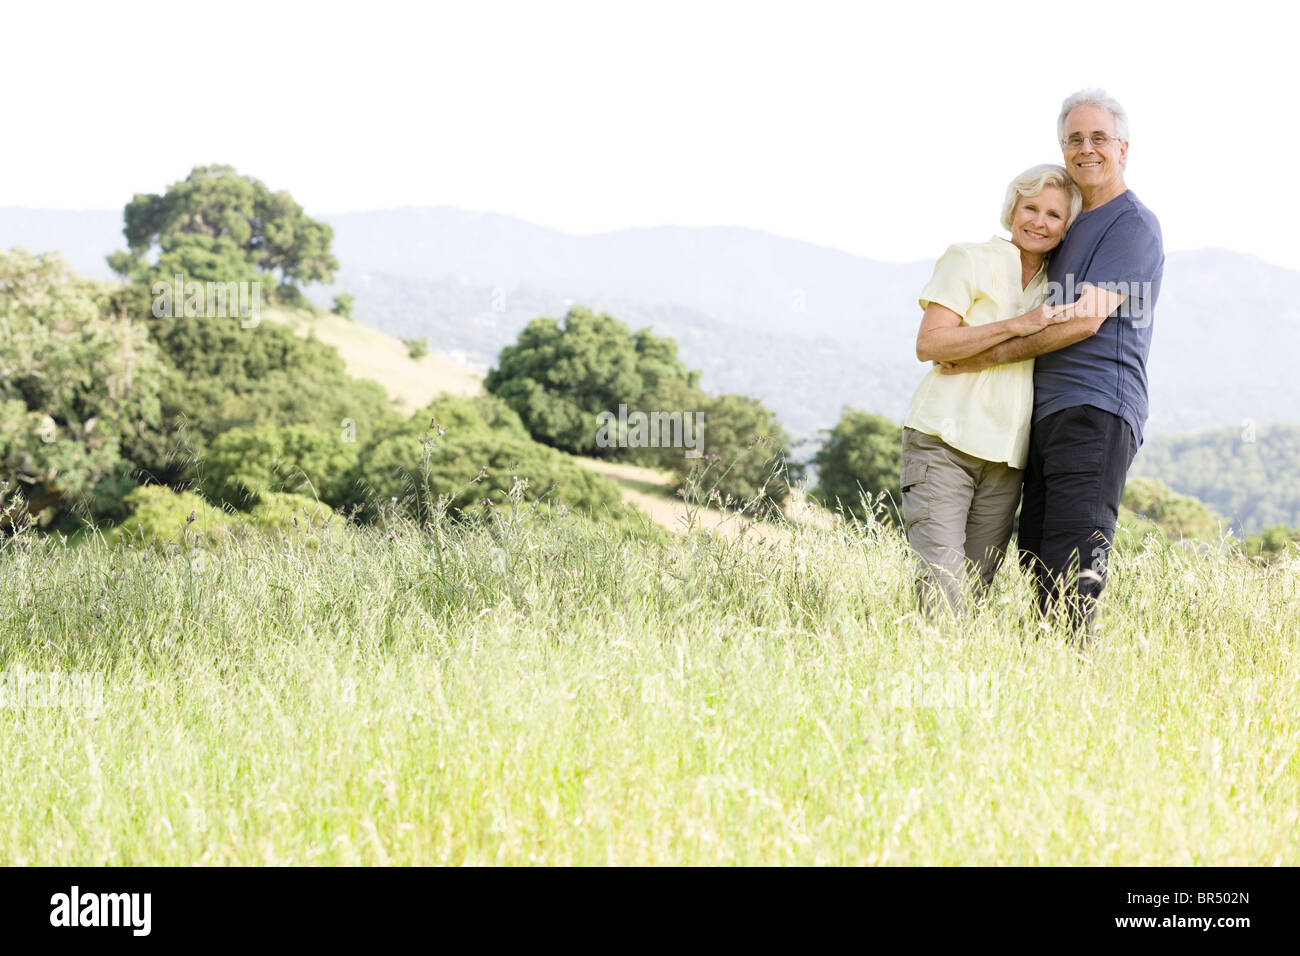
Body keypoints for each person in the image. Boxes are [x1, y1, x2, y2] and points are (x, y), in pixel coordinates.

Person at [939, 89, 1164, 641]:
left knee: (1074, 562)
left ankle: (1075, 694)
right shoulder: (1073, 222)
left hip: (1096, 408)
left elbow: (1082, 322)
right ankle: (1049, 686)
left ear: (1124, 148)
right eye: (1074, 139)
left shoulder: (1131, 224)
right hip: (1046, 415)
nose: (1086, 149)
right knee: (1038, 554)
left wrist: (979, 354)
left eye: (1099, 138)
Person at [901, 164, 1081, 618]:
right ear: (1011, 210)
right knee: (941, 590)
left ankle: (960, 684)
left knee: (974, 593)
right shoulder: (968, 258)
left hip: (1005, 461)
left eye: (1054, 215)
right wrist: (1017, 326)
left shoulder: (1058, 286)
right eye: (1031, 208)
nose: (1039, 221)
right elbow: (931, 344)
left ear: (1066, 227)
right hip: (942, 443)